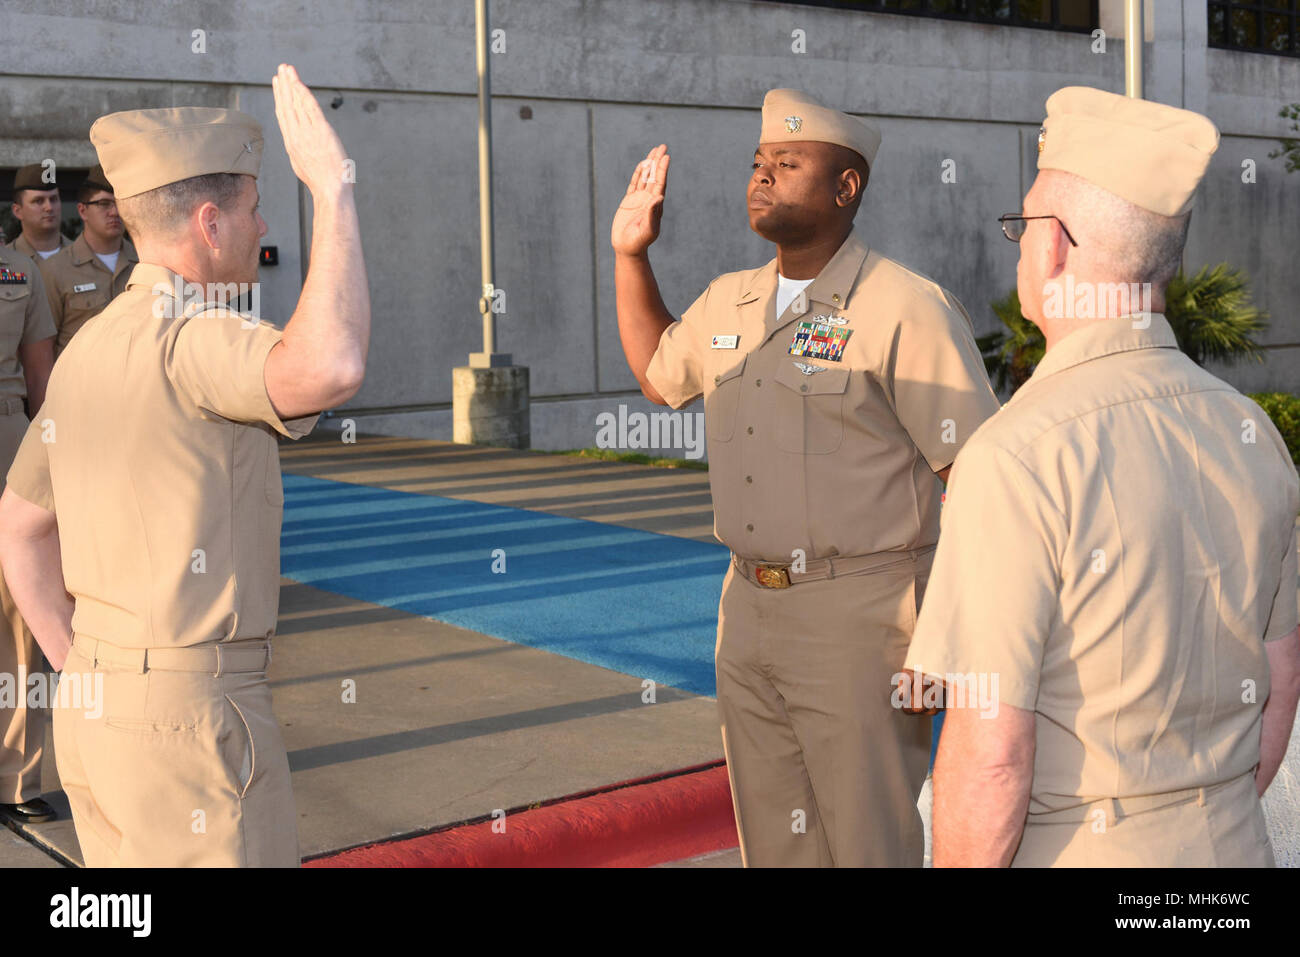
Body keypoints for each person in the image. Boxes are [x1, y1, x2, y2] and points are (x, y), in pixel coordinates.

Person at [903, 86, 1300, 867]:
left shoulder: (1016, 456)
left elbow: (992, 754)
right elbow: (1279, 684)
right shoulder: (1254, 435)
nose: (1018, 246)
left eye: (1022, 227)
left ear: (1053, 246)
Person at [612, 89, 1000, 866]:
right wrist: (630, 255)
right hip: (747, 609)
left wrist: (948, 636)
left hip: (863, 615)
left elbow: (984, 483)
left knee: (867, 842)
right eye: (758, 164)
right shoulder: (732, 299)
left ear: (845, 187)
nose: (762, 176)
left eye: (787, 165)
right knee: (775, 841)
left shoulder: (903, 308)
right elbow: (659, 377)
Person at [0, 63, 371, 866]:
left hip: (95, 712)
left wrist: (90, 665)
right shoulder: (198, 333)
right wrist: (334, 195)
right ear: (209, 223)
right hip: (191, 720)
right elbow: (333, 364)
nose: (262, 224)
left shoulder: (88, 347)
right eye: (252, 207)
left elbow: (22, 527)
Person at [0, 244, 55, 825]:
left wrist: (54, 463)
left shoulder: (19, 272)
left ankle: (14, 780)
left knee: (18, 614)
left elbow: (40, 373)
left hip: (9, 441)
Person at [39, 165, 138, 355]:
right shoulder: (54, 269)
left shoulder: (145, 262)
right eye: (104, 204)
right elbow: (42, 350)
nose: (115, 212)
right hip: (77, 382)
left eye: (120, 203)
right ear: (82, 211)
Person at [6, 165, 71, 260]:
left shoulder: (82, 255)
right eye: (39, 201)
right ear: (18, 211)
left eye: (54, 199)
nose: (49, 208)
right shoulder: (6, 260)